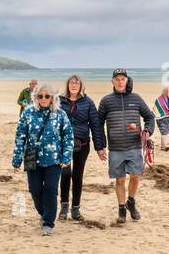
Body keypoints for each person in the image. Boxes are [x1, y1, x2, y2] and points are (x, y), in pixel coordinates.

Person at [12, 82, 74, 235]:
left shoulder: (60, 114)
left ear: (53, 97)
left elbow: (68, 137)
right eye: (40, 96)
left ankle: (48, 223)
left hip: (54, 160)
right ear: (36, 97)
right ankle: (43, 213)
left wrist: (66, 157)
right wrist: (16, 160)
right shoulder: (28, 112)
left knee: (51, 190)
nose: (44, 99)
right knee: (35, 190)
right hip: (33, 158)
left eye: (47, 96)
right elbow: (20, 137)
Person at [98, 68, 155, 224]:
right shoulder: (106, 101)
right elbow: (98, 124)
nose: (120, 81)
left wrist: (148, 131)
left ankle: (131, 201)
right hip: (116, 148)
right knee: (120, 180)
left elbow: (150, 117)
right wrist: (101, 145)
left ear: (127, 81)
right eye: (117, 79)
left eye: (122, 79)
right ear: (112, 82)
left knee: (135, 176)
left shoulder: (136, 99)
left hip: (134, 146)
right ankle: (122, 208)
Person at [58, 74, 104, 221]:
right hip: (63, 144)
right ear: (68, 85)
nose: (74, 85)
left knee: (78, 176)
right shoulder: (59, 101)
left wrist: (100, 147)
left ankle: (75, 209)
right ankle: (64, 207)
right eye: (71, 83)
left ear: (80, 86)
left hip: (82, 144)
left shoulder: (88, 102)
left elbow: (95, 125)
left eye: (77, 83)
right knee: (65, 174)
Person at [153, 86, 169, 151]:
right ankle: (163, 147)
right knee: (164, 132)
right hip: (161, 118)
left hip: (167, 118)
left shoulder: (167, 99)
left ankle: (163, 146)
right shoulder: (160, 99)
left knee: (165, 132)